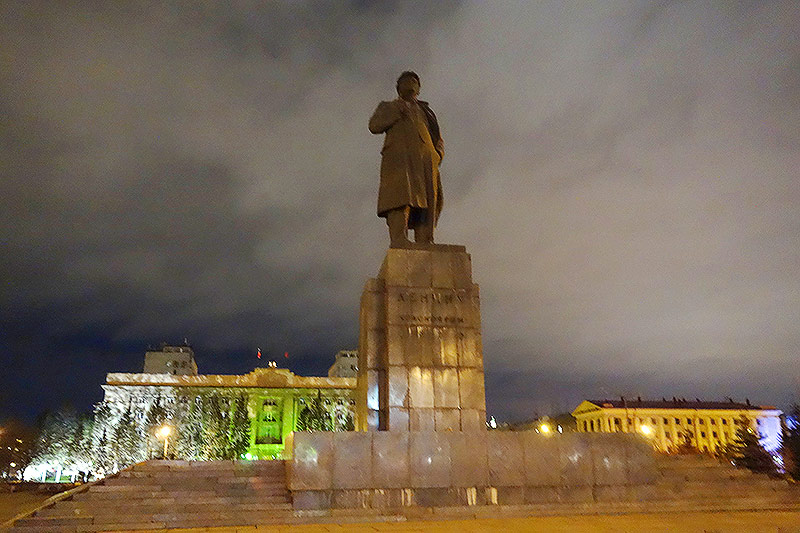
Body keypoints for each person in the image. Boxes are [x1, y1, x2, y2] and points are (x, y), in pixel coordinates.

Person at [369, 71, 444, 247]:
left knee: (427, 201)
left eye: (414, 81)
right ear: (398, 88)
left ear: (419, 88)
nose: (410, 83)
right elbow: (374, 125)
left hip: (426, 160)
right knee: (401, 196)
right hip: (400, 157)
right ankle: (399, 239)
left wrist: (437, 154)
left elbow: (438, 138)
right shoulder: (388, 106)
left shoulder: (427, 112)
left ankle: (426, 239)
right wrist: (396, 112)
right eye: (405, 81)